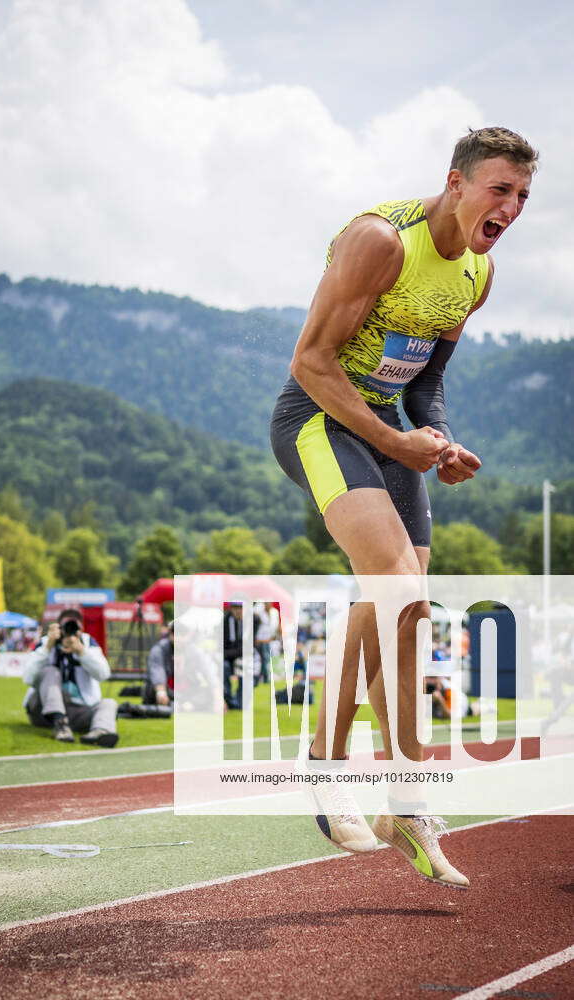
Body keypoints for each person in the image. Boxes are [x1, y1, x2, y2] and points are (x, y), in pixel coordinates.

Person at [271, 127, 538, 888]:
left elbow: (425, 383)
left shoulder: (476, 274)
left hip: (390, 432)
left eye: (521, 196)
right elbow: (310, 361)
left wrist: (440, 442)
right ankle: (365, 783)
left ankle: (386, 799)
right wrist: (395, 439)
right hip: (320, 418)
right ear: (454, 182)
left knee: (400, 605)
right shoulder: (380, 240)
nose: (510, 207)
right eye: (499, 189)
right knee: (397, 588)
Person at [23, 607, 119, 747]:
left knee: (109, 703)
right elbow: (28, 678)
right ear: (58, 628)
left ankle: (100, 731)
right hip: (43, 711)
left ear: (81, 629)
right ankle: (59, 723)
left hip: (77, 710)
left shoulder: (87, 643)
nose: (69, 631)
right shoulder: (46, 643)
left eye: (74, 628)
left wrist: (81, 652)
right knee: (50, 671)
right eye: (66, 627)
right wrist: (48, 647)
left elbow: (103, 674)